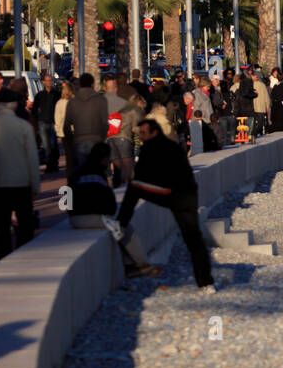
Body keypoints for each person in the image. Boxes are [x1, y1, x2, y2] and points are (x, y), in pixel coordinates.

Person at [117, 119, 216, 293]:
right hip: (188, 196)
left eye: (143, 133)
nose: (140, 137)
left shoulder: (150, 147)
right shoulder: (172, 146)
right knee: (194, 239)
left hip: (171, 193)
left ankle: (120, 226)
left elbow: (140, 176)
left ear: (153, 133)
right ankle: (206, 282)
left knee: (134, 188)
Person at [68, 143, 160, 278]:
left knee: (117, 229)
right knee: (123, 228)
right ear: (104, 159)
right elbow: (109, 203)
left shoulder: (76, 172)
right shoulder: (99, 174)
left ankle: (130, 264)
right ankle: (141, 264)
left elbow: (65, 197)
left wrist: (71, 213)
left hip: (75, 218)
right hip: (92, 218)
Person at [0, 89, 41, 260]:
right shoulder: (24, 127)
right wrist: (35, 185)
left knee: (1, 228)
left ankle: (3, 259)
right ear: (15, 105)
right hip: (22, 183)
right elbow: (32, 158)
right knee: (25, 226)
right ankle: (23, 258)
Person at [64, 73, 109, 170]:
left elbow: (66, 125)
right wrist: (102, 138)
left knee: (81, 171)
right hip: (96, 140)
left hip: (79, 140)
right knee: (97, 170)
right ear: (92, 85)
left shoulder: (73, 102)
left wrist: (71, 141)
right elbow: (105, 123)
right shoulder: (101, 100)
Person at [32, 72, 61, 172]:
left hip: (53, 122)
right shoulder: (40, 95)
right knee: (46, 145)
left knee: (53, 145)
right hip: (43, 123)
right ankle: (49, 165)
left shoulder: (56, 94)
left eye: (50, 81)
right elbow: (34, 110)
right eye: (47, 81)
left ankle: (54, 163)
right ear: (43, 82)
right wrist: (37, 121)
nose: (49, 83)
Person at [55, 81, 75, 174]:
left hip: (63, 132)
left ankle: (69, 173)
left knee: (68, 154)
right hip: (74, 131)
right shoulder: (74, 102)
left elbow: (57, 119)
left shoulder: (59, 103)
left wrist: (58, 132)